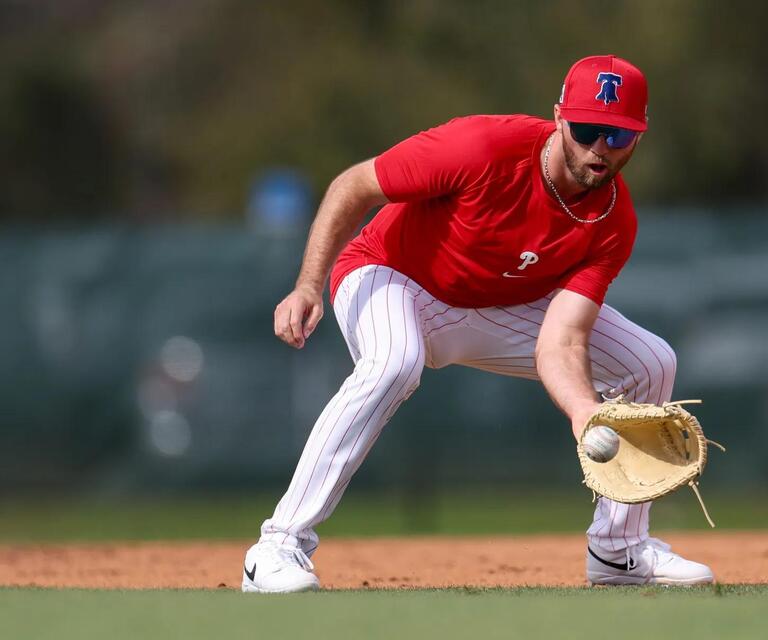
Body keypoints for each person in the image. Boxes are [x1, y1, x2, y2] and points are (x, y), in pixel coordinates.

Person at [241, 54, 714, 593]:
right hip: (393, 275)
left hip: (497, 305)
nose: (599, 148)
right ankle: (278, 545)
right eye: (586, 130)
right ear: (559, 117)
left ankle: (618, 551)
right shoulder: (482, 148)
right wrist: (308, 283)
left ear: (638, 137)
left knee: (650, 363)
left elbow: (562, 341)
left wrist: (584, 412)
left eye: (618, 135)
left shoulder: (612, 220)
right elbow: (354, 185)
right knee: (394, 363)